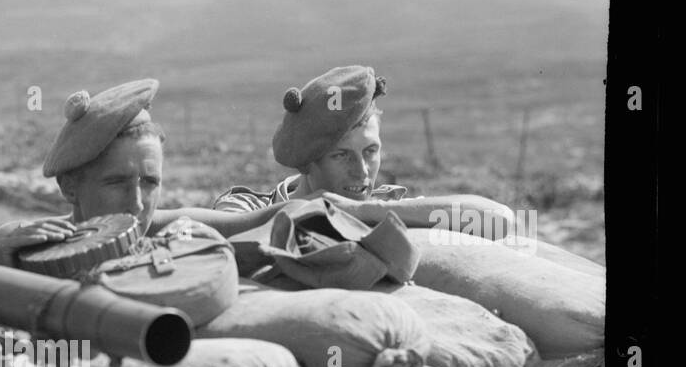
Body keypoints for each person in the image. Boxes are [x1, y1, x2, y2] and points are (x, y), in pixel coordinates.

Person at [153, 65, 515, 239]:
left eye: (371, 151)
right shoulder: (248, 207)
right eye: (342, 156)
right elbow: (193, 229)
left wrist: (362, 211)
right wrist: (309, 213)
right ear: (308, 162)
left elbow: (499, 220)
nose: (363, 172)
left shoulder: (386, 204)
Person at [0, 79, 220, 268]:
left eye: (150, 182)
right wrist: (4, 270)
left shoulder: (170, 228)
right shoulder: (16, 245)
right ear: (70, 187)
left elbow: (254, 222)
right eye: (116, 182)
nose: (136, 203)